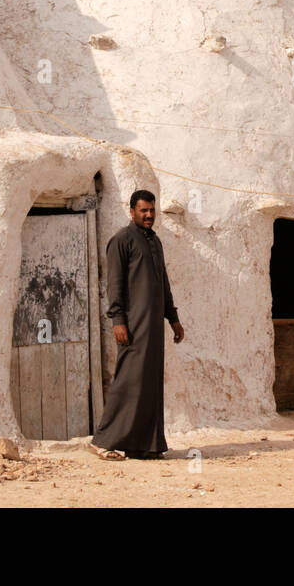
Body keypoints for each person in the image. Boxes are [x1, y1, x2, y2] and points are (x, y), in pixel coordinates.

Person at [89, 190, 184, 460]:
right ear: (132, 212)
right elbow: (114, 285)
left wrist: (173, 318)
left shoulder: (155, 242)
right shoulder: (121, 240)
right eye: (143, 211)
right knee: (128, 381)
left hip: (153, 326)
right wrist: (118, 320)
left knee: (149, 383)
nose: (149, 215)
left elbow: (163, 284)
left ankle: (143, 445)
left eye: (152, 210)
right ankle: (102, 440)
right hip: (132, 325)